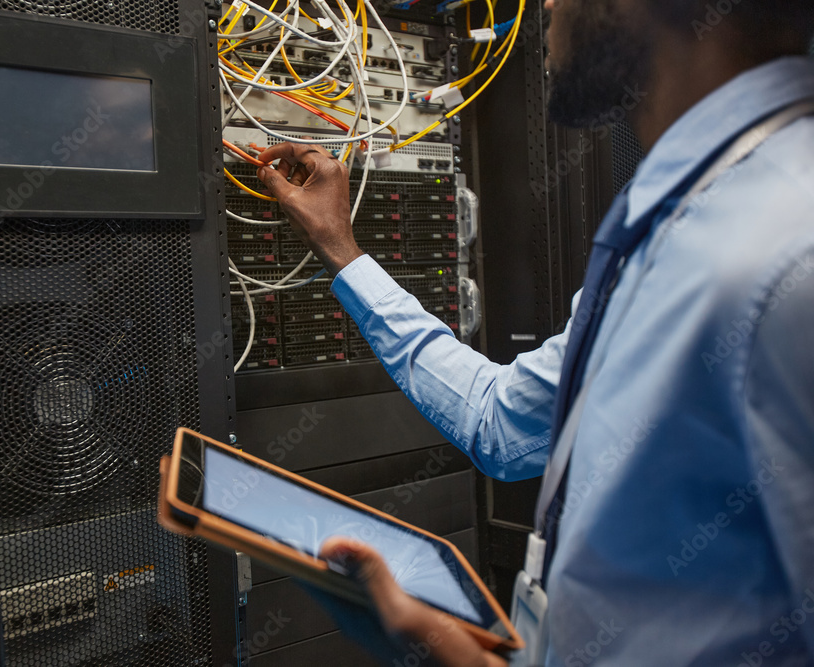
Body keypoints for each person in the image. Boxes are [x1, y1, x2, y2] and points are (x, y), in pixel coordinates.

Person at [252, 0, 814, 664]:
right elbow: (499, 422)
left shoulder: (787, 252)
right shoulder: (674, 225)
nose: (544, 5)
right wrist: (344, 253)